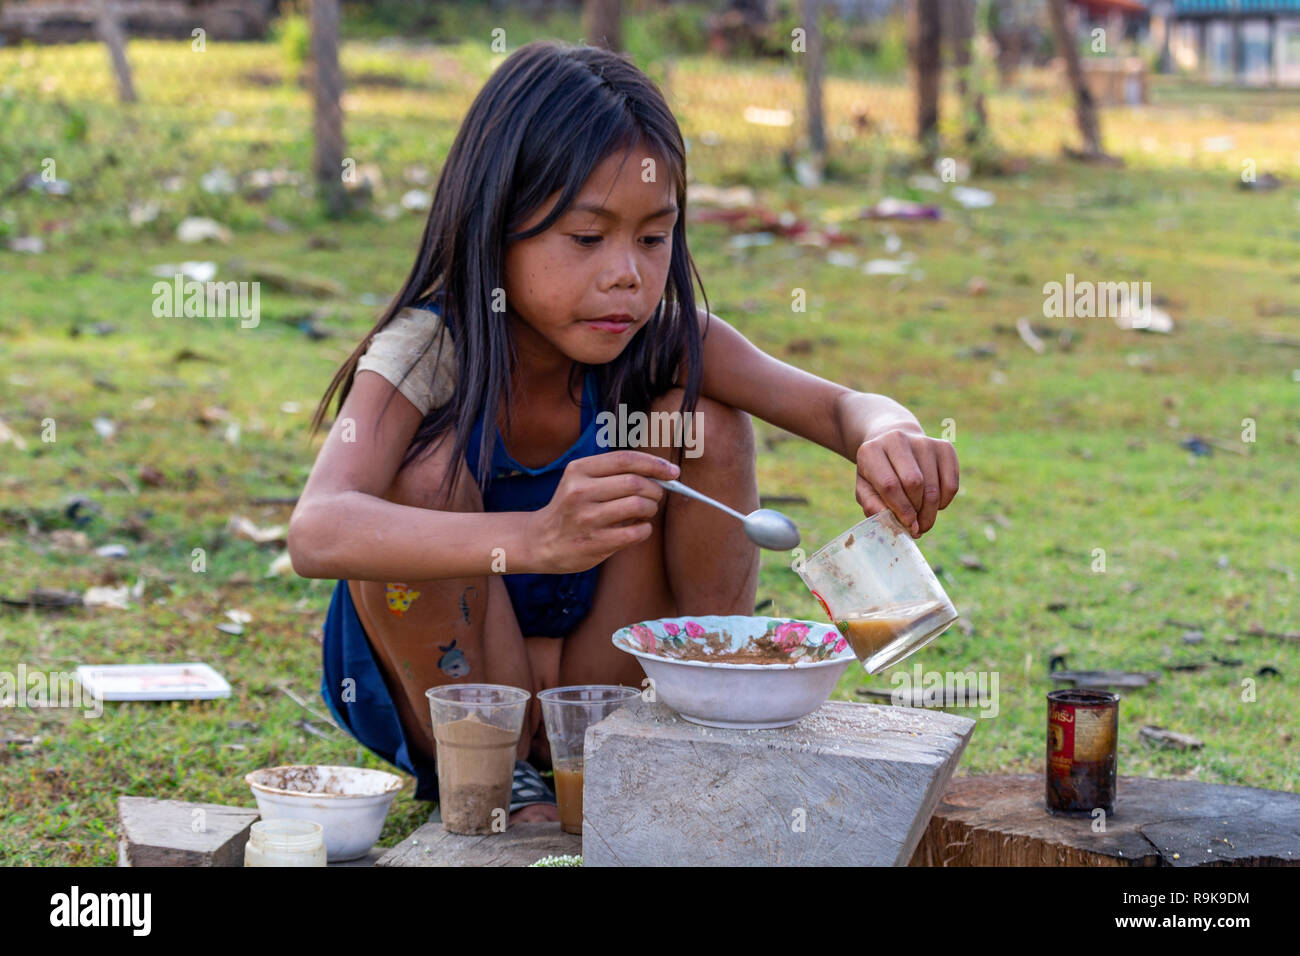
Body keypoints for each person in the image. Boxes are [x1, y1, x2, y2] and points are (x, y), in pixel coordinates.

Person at [289, 40, 960, 824]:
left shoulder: (663, 336)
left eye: (652, 238)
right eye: (586, 238)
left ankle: (700, 721)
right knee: (426, 478)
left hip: (603, 664)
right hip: (457, 683)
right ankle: (500, 779)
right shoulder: (429, 352)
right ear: (494, 226)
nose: (628, 276)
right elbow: (318, 530)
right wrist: (537, 536)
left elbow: (843, 408)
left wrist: (893, 434)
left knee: (703, 421)